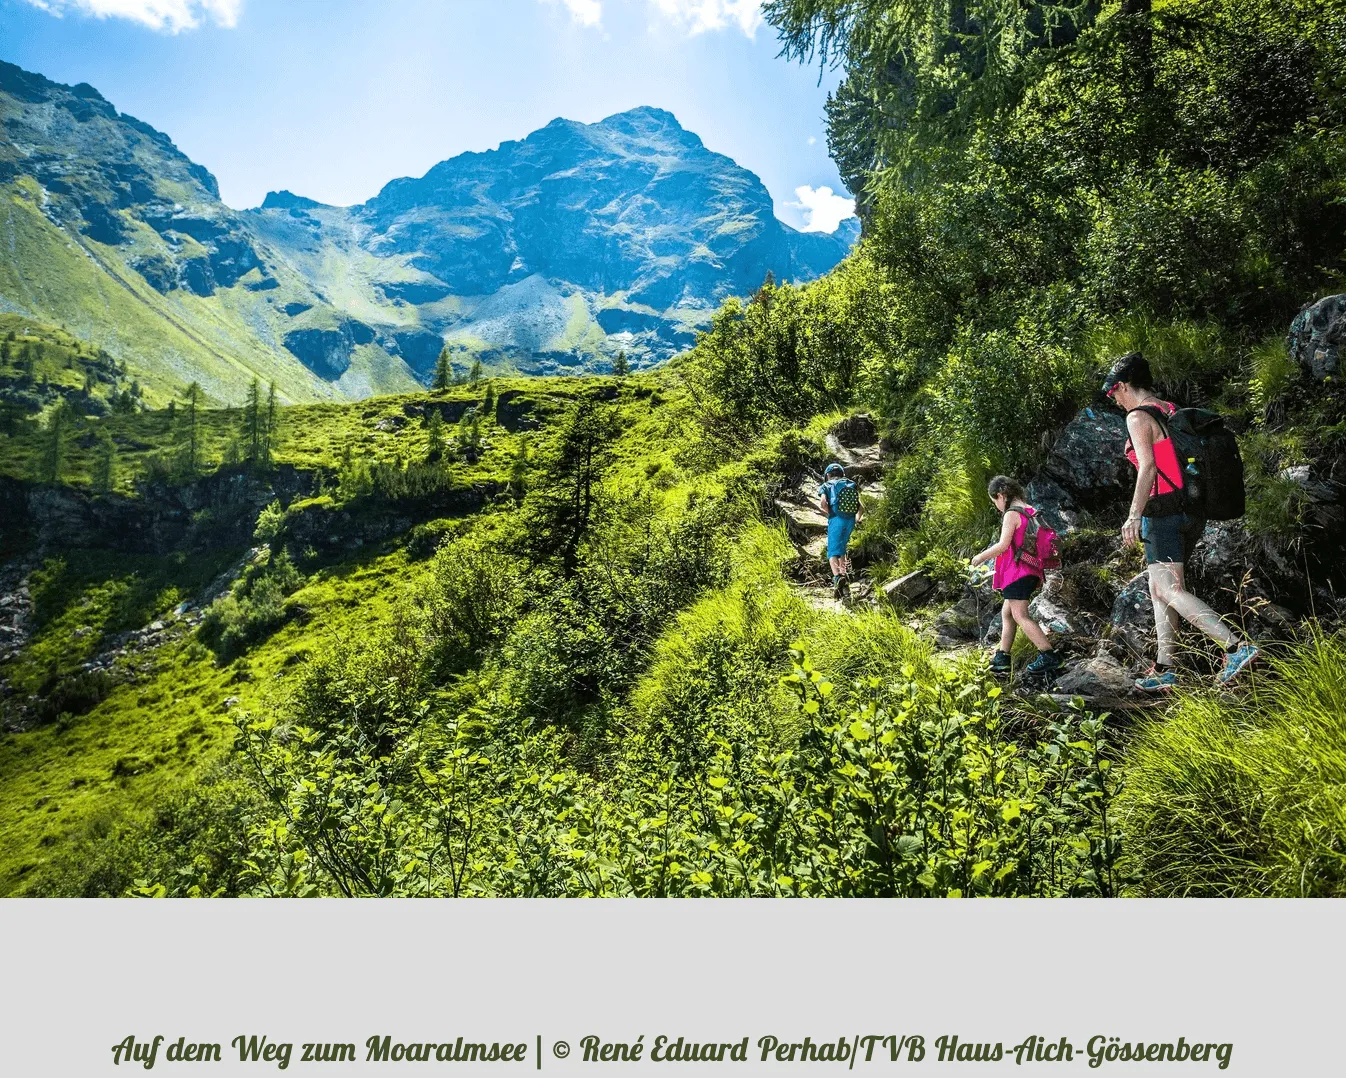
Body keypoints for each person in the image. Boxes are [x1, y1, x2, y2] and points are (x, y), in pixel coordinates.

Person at [1103, 352, 1259, 689]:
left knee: (1165, 588)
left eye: (1112, 391)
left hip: (1162, 513)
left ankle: (1235, 647)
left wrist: (1133, 515)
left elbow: (1148, 467)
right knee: (1162, 590)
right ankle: (1165, 669)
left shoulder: (1137, 417)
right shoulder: (1168, 409)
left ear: (1125, 385)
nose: (1112, 398)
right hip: (1190, 511)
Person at [971, 476, 1061, 678]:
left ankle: (1048, 655)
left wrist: (979, 557)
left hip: (1017, 572)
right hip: (1031, 570)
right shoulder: (1030, 510)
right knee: (1008, 613)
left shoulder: (1011, 514)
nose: (997, 506)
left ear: (1001, 496)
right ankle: (1002, 657)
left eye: (995, 501)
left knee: (1020, 615)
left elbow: (1003, 545)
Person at [818, 462, 862, 600]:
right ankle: (843, 576)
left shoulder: (826, 485)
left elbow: (823, 503)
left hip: (836, 519)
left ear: (828, 475)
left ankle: (837, 577)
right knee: (842, 548)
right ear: (842, 474)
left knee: (832, 550)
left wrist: (830, 512)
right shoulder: (849, 484)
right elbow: (861, 508)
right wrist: (856, 519)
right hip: (850, 520)